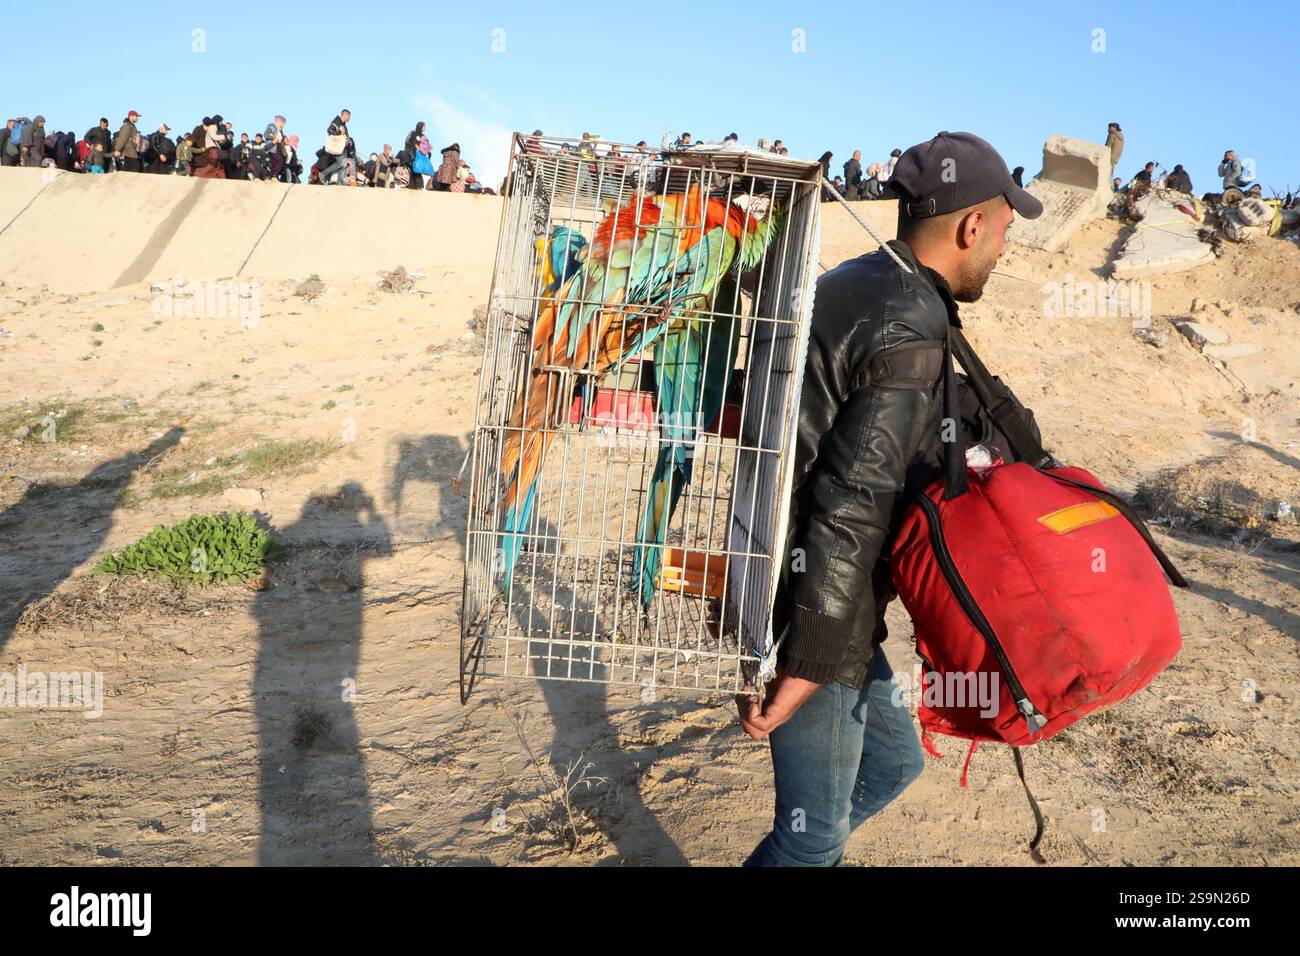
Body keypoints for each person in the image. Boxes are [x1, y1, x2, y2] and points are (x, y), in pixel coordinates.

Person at [741, 131, 1044, 867]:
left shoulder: (863, 278)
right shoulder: (908, 319)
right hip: (814, 606)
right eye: (1006, 230)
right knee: (811, 839)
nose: (1005, 249)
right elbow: (852, 501)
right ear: (973, 225)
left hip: (800, 579)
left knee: (895, 764)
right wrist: (812, 656)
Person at [319, 109, 351, 185]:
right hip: (336, 146)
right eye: (349, 116)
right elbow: (329, 130)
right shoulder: (337, 121)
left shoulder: (344, 125)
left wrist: (348, 140)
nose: (349, 118)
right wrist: (339, 133)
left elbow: (345, 136)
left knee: (343, 164)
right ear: (345, 115)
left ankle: (340, 182)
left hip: (342, 147)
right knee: (341, 163)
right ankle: (324, 174)